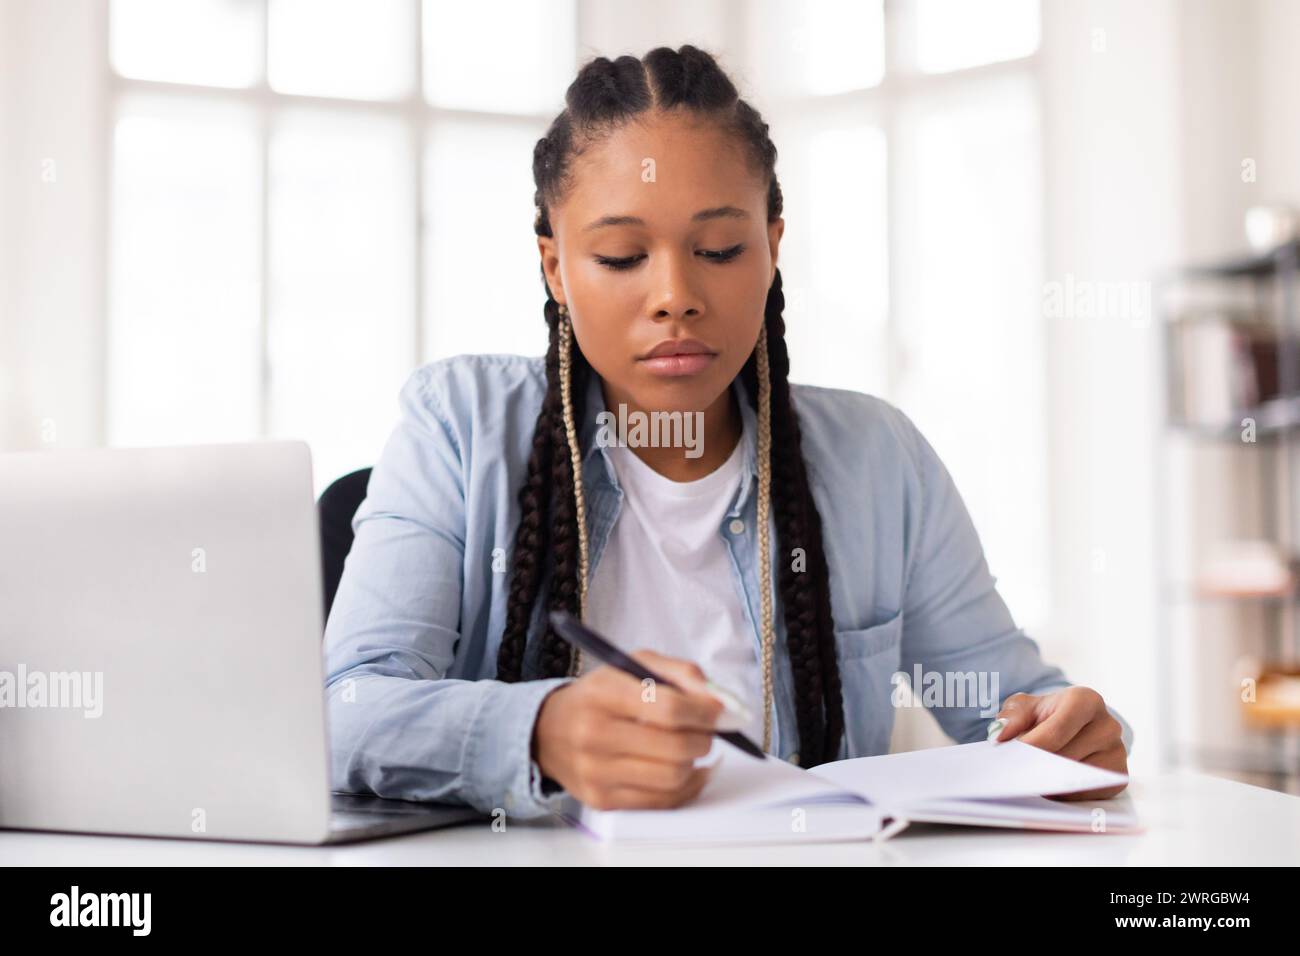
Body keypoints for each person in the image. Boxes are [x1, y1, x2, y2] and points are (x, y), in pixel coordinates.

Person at [323, 44, 1132, 819]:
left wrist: (1072, 737)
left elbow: (1010, 714)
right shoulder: (455, 425)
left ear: (772, 247)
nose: (675, 294)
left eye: (718, 248)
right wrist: (539, 731)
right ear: (554, 267)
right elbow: (346, 709)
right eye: (619, 256)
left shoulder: (882, 462)